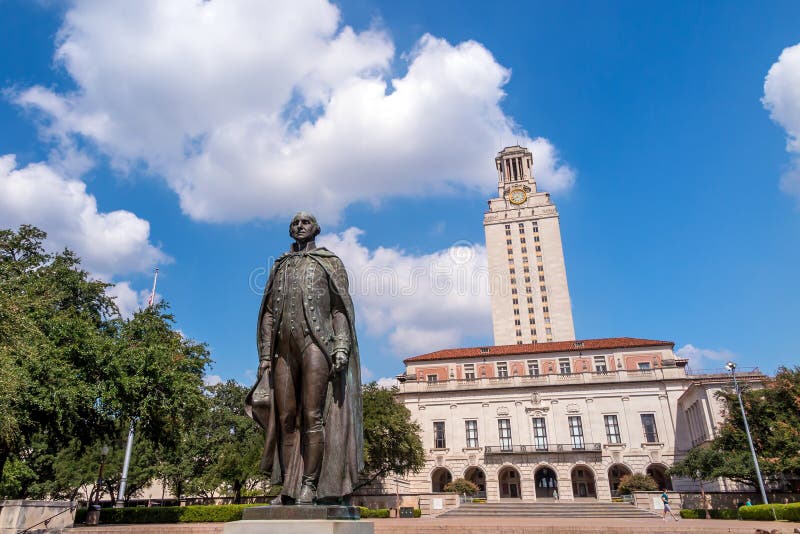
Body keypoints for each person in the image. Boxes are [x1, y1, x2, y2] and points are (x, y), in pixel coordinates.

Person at [246, 212, 363, 505]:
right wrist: (264, 356)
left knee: (312, 414)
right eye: (294, 223)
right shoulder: (280, 266)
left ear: (316, 229)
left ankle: (310, 484)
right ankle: (289, 485)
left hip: (317, 344)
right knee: (285, 417)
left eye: (305, 222)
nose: (299, 226)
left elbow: (339, 308)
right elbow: (270, 312)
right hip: (283, 350)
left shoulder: (329, 262)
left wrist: (341, 346)